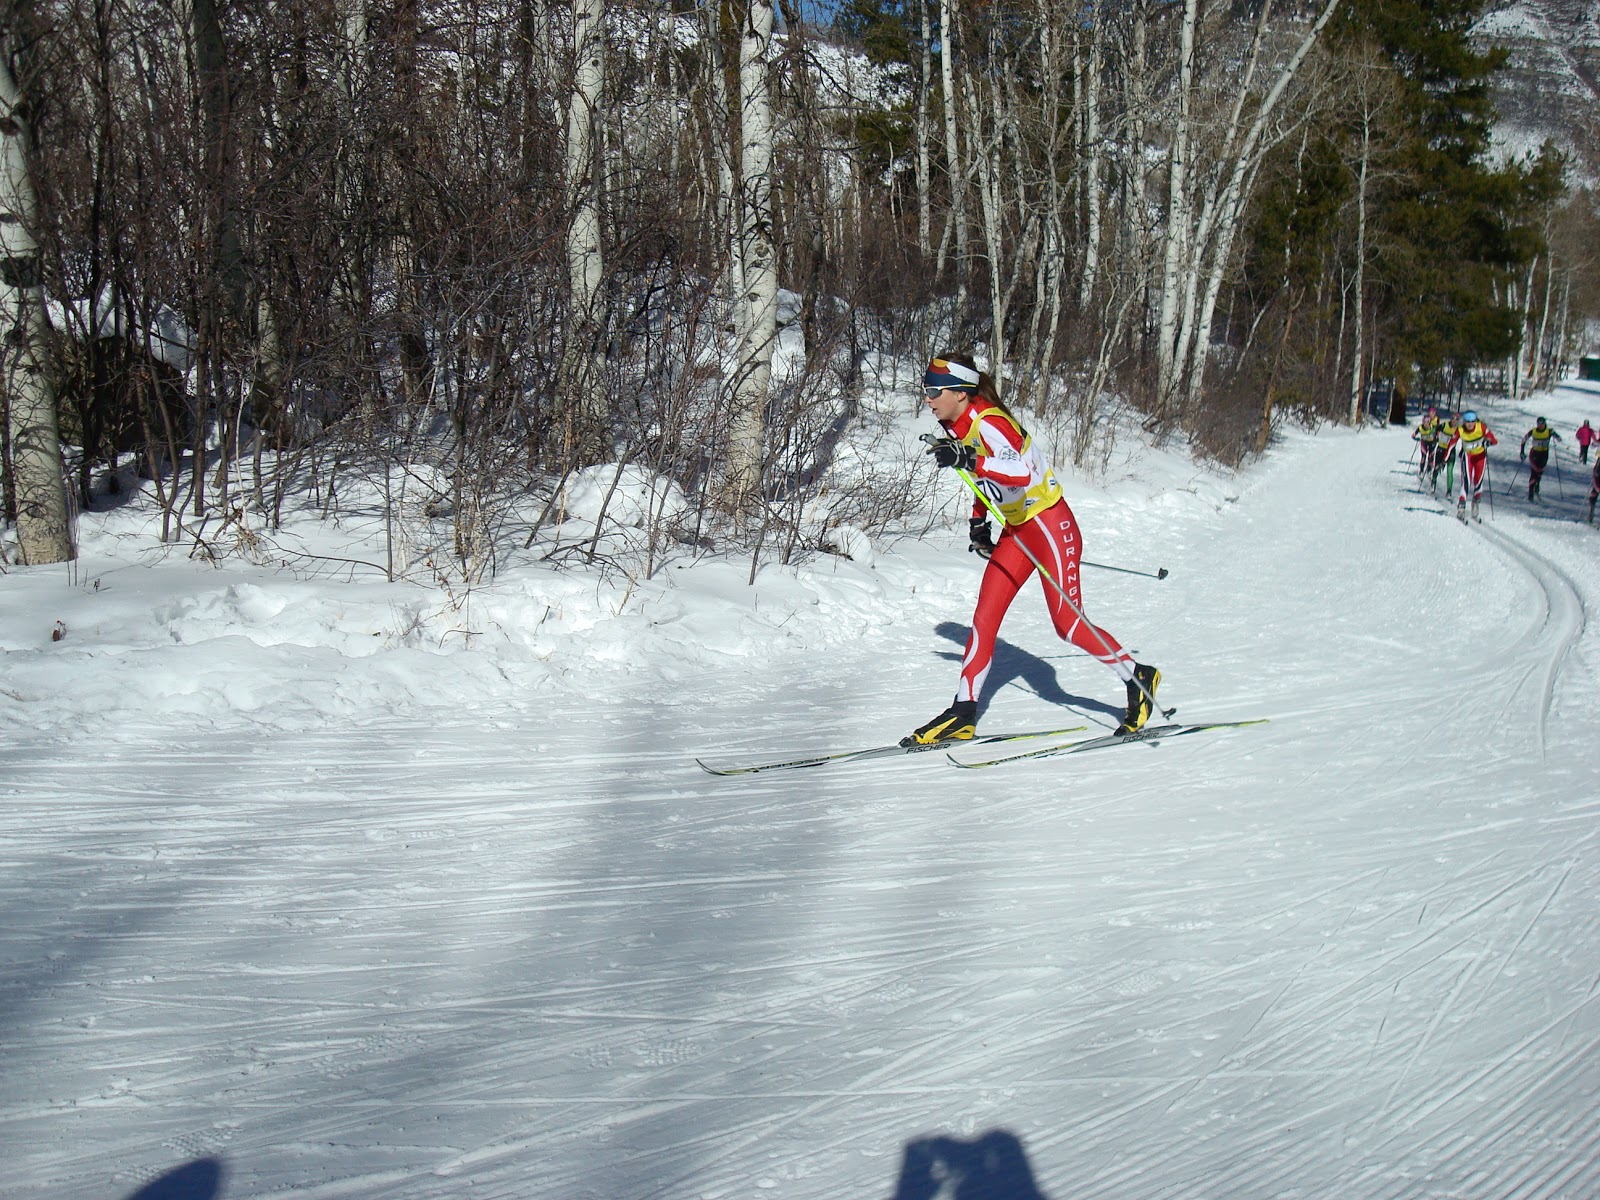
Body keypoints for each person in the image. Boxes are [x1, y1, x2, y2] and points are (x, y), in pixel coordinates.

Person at [903, 353, 1160, 745]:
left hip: (1049, 524)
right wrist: (978, 521)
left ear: (960, 391)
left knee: (1068, 625)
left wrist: (968, 457)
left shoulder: (991, 422)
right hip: (1018, 529)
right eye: (926, 390)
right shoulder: (958, 424)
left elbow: (1017, 472)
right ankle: (963, 712)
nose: (928, 398)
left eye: (935, 390)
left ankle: (1137, 674)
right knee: (984, 619)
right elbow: (981, 478)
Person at [1442, 410, 1498, 522]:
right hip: (1468, 457)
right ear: (1464, 422)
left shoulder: (1481, 427)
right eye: (1467, 422)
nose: (1470, 424)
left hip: (1480, 457)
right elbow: (1451, 444)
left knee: (1478, 481)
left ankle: (1475, 504)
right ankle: (1461, 508)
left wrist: (1488, 442)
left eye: (1472, 421)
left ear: (1475, 421)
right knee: (1467, 481)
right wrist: (1444, 459)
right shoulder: (1460, 430)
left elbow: (1494, 440)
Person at [1518, 417, 1562, 500]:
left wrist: (1556, 436)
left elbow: (1559, 438)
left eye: (1542, 424)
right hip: (1534, 453)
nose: (1540, 426)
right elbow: (1524, 440)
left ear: (1545, 424)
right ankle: (1531, 492)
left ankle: (1537, 484)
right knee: (1534, 472)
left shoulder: (1549, 431)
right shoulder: (1533, 431)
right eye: (1538, 424)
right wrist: (1522, 452)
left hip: (1544, 454)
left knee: (1539, 472)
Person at [1411, 407, 1443, 489]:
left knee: (1431, 456)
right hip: (1424, 443)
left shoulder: (1434, 426)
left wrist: (1438, 437)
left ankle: (1429, 470)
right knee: (1423, 456)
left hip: (1432, 442)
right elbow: (1413, 435)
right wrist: (1416, 438)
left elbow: (1439, 431)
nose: (1426, 423)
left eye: (1428, 422)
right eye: (1424, 422)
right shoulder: (1420, 427)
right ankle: (1421, 471)